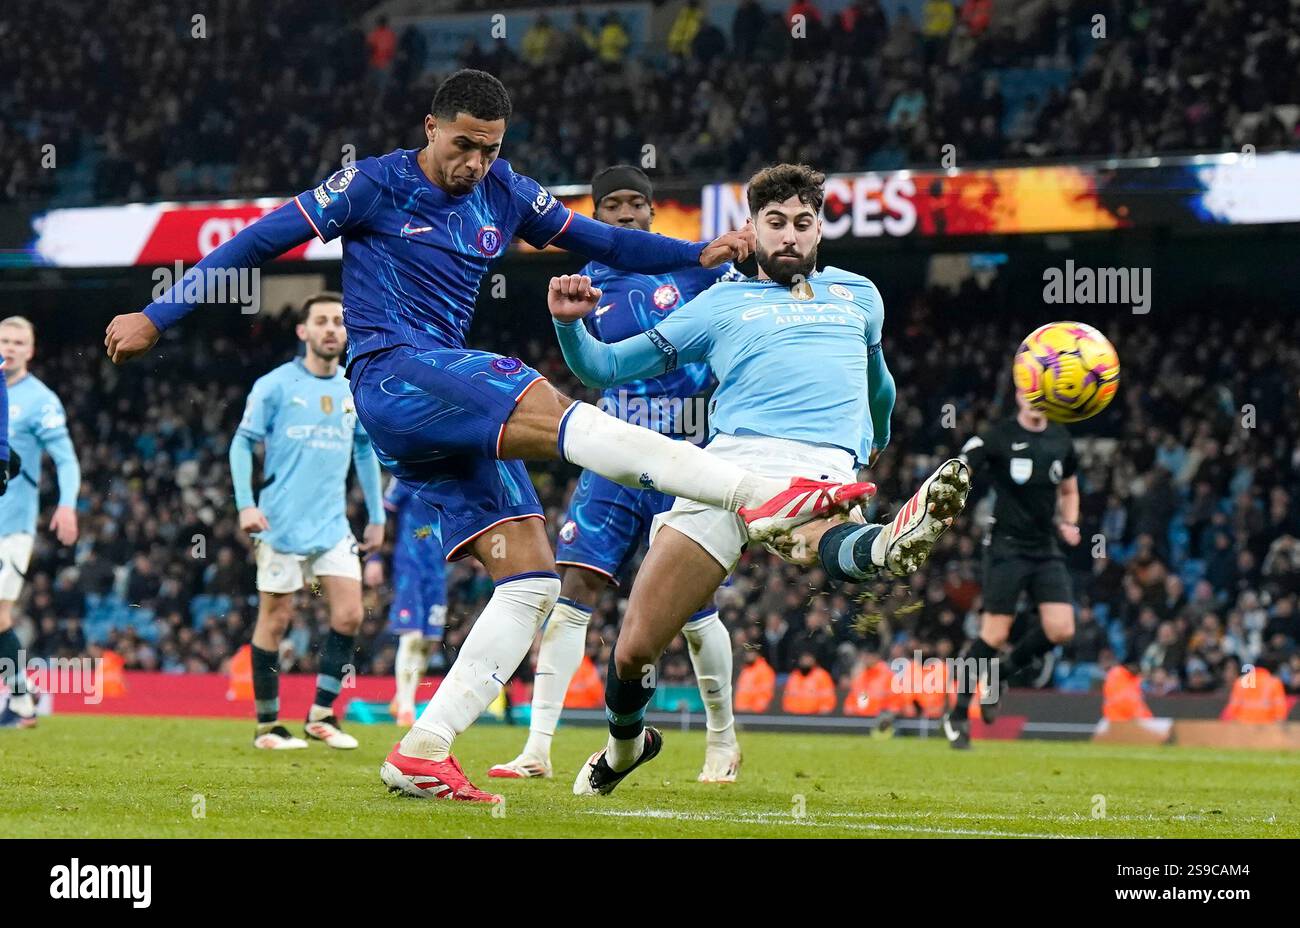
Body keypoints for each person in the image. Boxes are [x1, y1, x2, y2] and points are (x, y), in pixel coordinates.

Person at [105, 70, 872, 802]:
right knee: (572, 418)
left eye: (491, 148)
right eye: (462, 145)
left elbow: (601, 242)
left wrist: (691, 252)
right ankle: (764, 497)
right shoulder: (373, 182)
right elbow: (258, 240)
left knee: (533, 578)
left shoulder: (505, 191)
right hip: (397, 373)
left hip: (441, 418)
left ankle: (424, 751)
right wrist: (157, 315)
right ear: (430, 128)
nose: (475, 163)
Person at [552, 163, 969, 796]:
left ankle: (885, 544)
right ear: (753, 228)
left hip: (819, 465)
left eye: (804, 223)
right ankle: (624, 747)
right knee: (636, 646)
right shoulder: (718, 303)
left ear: (820, 229)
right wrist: (568, 323)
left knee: (808, 534)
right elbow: (605, 369)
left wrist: (875, 441)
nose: (790, 237)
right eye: (775, 223)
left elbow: (878, 384)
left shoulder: (859, 295)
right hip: (725, 469)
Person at [488, 165, 745, 784]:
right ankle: (538, 748)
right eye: (613, 207)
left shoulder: (696, 269)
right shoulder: (584, 281)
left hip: (685, 457)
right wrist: (568, 321)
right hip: (614, 454)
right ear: (596, 217)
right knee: (572, 589)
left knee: (692, 608)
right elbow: (591, 371)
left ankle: (722, 740)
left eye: (637, 204)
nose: (627, 215)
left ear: (654, 214)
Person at [230, 294, 386, 750]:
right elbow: (242, 444)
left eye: (338, 321)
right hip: (279, 523)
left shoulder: (352, 388)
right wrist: (245, 503)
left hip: (332, 524)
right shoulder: (274, 386)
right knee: (276, 619)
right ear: (303, 332)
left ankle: (321, 715)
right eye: (321, 321)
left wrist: (376, 516)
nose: (331, 329)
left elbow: (363, 450)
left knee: (351, 613)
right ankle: (266, 727)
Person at [942, 387, 1081, 749]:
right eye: (1027, 389)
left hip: (1044, 546)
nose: (1033, 396)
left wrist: (1070, 524)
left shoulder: (1061, 439)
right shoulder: (1000, 436)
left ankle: (1001, 673)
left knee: (1062, 629)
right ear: (1018, 395)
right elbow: (968, 457)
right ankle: (957, 714)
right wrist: (962, 465)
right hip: (1005, 547)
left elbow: (1069, 490)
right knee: (995, 634)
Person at [0, 317, 79, 730]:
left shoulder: (41, 400)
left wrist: (66, 504)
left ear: (30, 351)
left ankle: (20, 697)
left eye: (18, 342)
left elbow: (65, 458)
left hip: (11, 527)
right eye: (4, 340)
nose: (9, 347)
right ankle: (22, 698)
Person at [370, 477, 447, 727]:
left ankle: (401, 698)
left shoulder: (451, 479)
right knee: (411, 637)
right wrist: (374, 558)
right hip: (409, 569)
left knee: (427, 642)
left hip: (437, 571)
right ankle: (406, 706)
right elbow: (381, 514)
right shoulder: (406, 474)